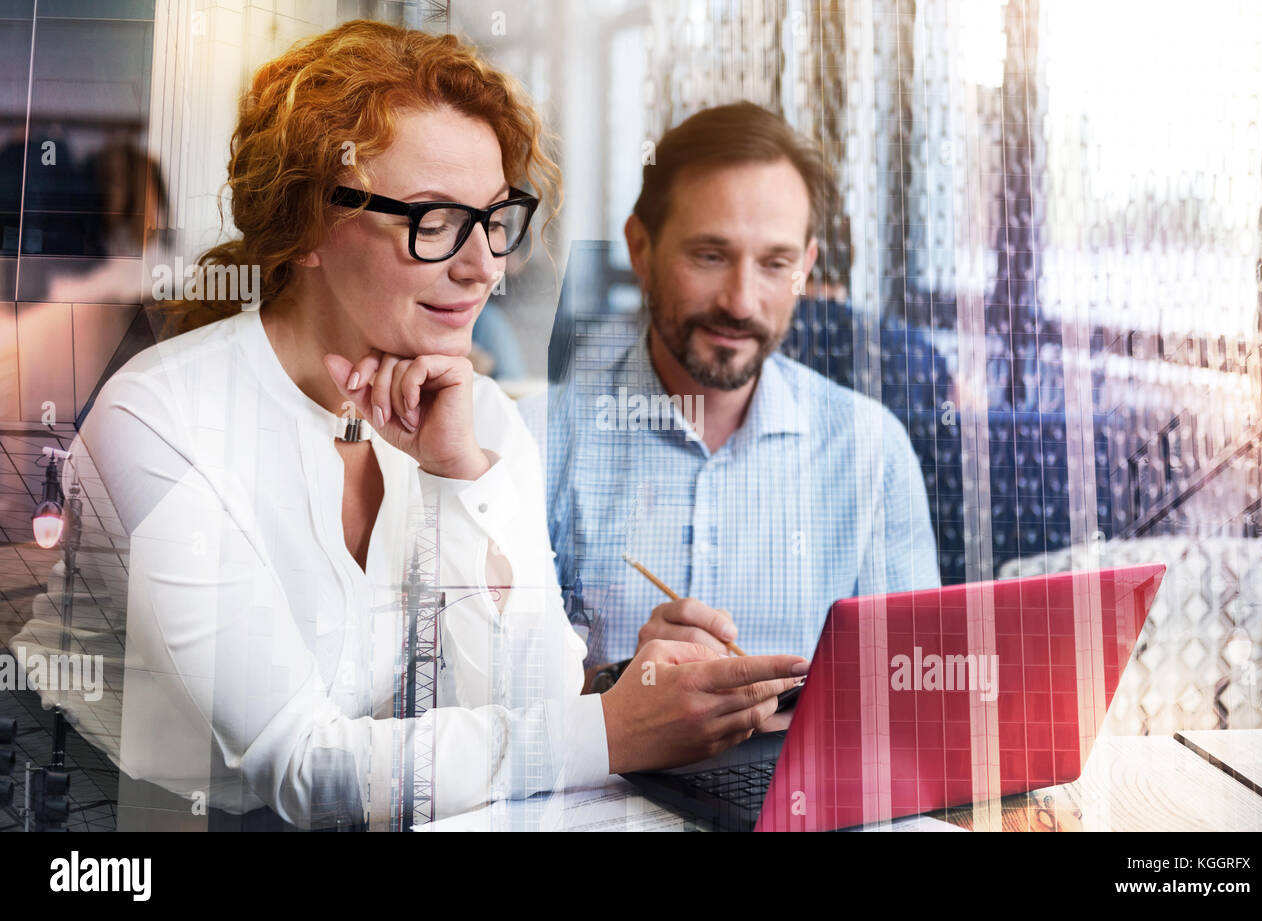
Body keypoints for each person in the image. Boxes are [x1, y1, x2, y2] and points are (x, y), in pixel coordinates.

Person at [11, 23, 804, 831]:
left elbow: (534, 709)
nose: (485, 267)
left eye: (495, 220)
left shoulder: (480, 415)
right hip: (106, 819)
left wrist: (460, 479)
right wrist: (614, 726)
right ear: (310, 223)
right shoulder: (157, 417)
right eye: (434, 221)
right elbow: (302, 764)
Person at [525, 103, 940, 697]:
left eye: (775, 263)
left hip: (808, 786)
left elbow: (914, 692)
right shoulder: (537, 443)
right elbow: (495, 709)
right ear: (641, 250)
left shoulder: (871, 450)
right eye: (710, 256)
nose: (742, 302)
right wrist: (619, 684)